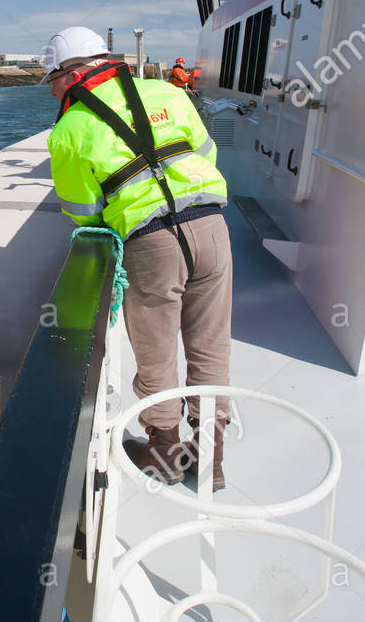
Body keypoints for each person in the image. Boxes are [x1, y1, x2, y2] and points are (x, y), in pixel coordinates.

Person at [44, 26, 233, 489]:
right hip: (212, 227)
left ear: (68, 74)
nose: (49, 91)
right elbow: (207, 153)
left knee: (156, 351)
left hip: (149, 244)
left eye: (49, 80)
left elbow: (84, 213)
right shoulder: (166, 89)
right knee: (210, 342)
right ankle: (212, 456)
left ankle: (165, 453)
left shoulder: (69, 130)